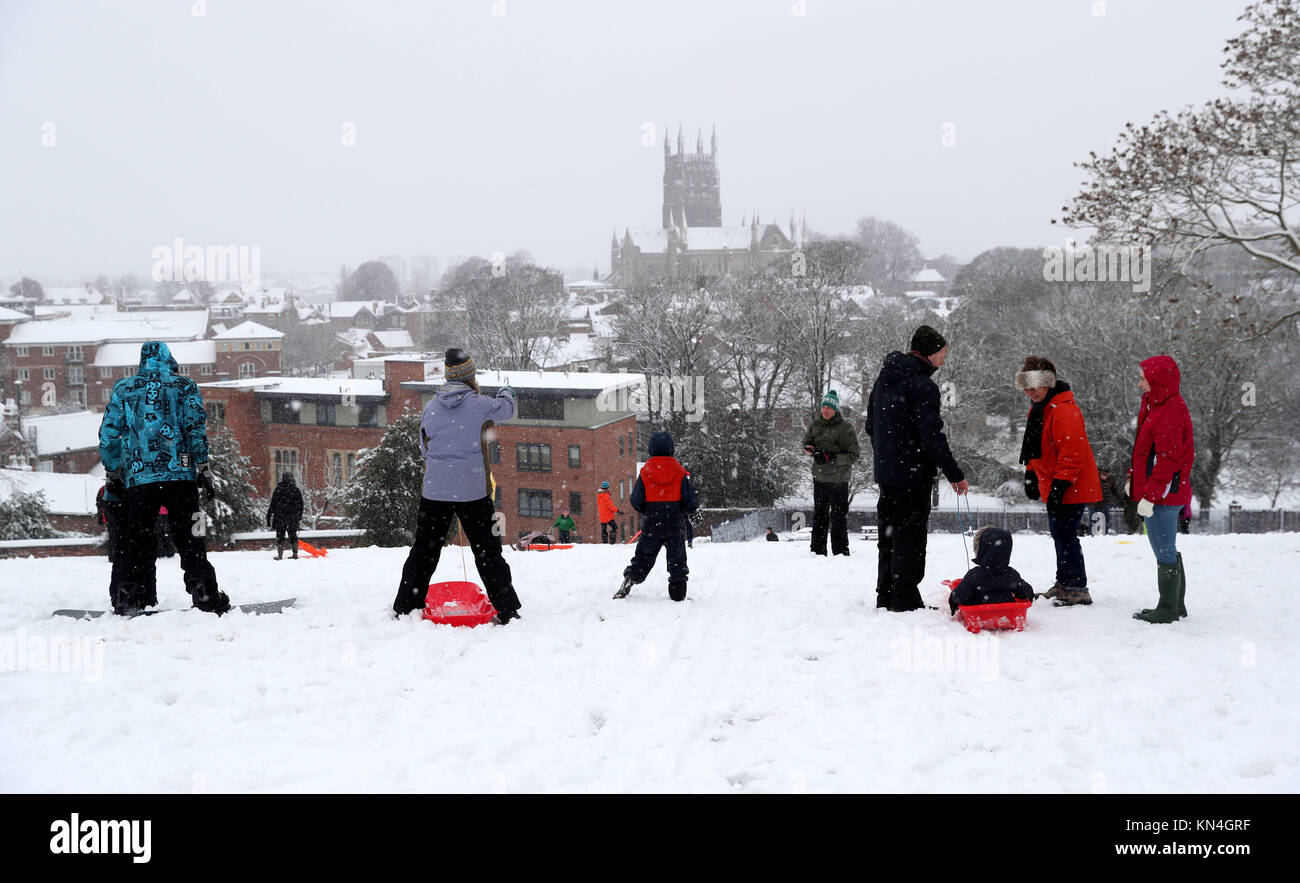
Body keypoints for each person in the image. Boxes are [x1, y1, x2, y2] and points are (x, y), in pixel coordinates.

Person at [391, 348, 522, 624]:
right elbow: (507, 409)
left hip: (435, 492)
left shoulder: (431, 408)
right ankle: (507, 608)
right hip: (473, 492)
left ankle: (406, 606)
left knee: (424, 550)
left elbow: (424, 447)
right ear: (471, 377)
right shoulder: (481, 404)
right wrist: (506, 390)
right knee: (487, 551)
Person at [98, 341, 227, 615]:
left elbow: (109, 434)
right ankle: (203, 592)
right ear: (170, 360)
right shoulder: (185, 386)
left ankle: (127, 596)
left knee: (136, 541)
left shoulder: (124, 388)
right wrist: (202, 467)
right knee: (191, 536)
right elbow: (195, 429)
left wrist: (113, 471)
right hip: (181, 479)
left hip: (138, 480)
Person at [865, 325, 969, 612]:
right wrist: (954, 474)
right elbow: (931, 436)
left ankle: (885, 594)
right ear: (929, 352)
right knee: (910, 538)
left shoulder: (883, 381)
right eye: (942, 354)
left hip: (887, 474)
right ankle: (905, 599)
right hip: (913, 476)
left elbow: (870, 425)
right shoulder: (923, 386)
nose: (943, 360)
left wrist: (887, 455)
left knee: (888, 536)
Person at [1015, 356, 1102, 606]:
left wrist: (1060, 486)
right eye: (1026, 387)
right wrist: (1031, 472)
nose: (1030, 392)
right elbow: (1038, 446)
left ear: (1048, 383)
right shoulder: (1042, 407)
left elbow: (1071, 452)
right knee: (1060, 533)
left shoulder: (1063, 409)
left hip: (1071, 485)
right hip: (1056, 483)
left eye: (1035, 386)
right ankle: (1065, 583)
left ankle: (1075, 587)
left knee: (1065, 533)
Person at [1129, 355, 1195, 623]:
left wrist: (1150, 496)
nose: (1140, 382)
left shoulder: (1169, 411)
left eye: (1144, 377)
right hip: (1165, 492)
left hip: (1165, 495)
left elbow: (1168, 459)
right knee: (1166, 547)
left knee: (1163, 548)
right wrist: (1133, 478)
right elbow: (1147, 452)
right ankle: (1175, 605)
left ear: (1158, 381)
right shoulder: (1158, 405)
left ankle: (1168, 608)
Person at [615, 430, 698, 601]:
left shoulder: (645, 472)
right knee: (677, 559)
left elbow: (636, 500)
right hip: (674, 523)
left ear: (651, 449)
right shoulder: (680, 472)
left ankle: (631, 578)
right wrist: (685, 508)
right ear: (671, 449)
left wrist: (648, 509)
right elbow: (690, 500)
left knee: (643, 556)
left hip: (652, 523)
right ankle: (678, 590)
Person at [801, 390, 860, 557]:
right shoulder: (815, 426)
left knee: (838, 516)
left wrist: (831, 457)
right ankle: (817, 551)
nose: (825, 410)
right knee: (819, 515)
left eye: (829, 408)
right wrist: (809, 450)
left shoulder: (845, 428)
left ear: (836, 410)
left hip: (839, 480)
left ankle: (840, 551)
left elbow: (854, 455)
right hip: (819, 478)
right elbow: (806, 443)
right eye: (823, 407)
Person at [947, 527, 1035, 615]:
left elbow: (960, 596)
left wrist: (952, 599)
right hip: (1005, 615)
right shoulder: (1011, 574)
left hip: (978, 615)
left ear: (981, 551)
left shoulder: (974, 575)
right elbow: (1026, 592)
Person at [267, 472, 304, 559]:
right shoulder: (296, 490)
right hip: (292, 517)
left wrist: (268, 516)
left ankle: (280, 555)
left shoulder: (278, 489)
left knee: (280, 536)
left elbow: (273, 504)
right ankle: (295, 554)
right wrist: (299, 516)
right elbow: (301, 505)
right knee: (293, 535)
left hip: (280, 517)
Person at [96, 482, 123, 563]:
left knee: (112, 536)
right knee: (120, 536)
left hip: (108, 517)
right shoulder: (120, 487)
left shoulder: (102, 489)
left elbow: (99, 504)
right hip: (119, 516)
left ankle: (112, 556)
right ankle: (119, 555)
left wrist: (100, 518)